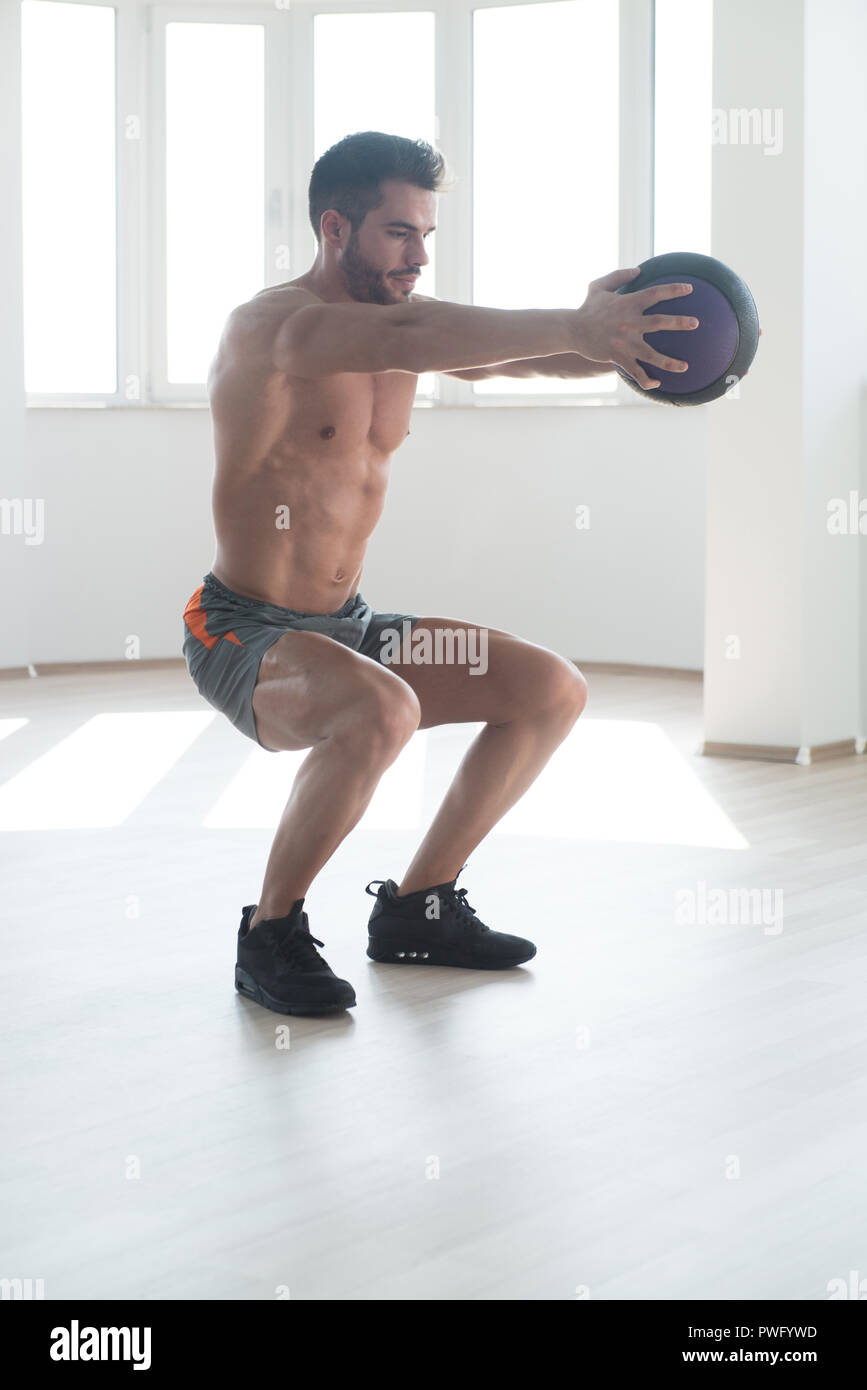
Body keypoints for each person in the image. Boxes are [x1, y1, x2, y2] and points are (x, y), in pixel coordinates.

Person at [182, 131, 698, 1016]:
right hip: (243, 631)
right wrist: (575, 327)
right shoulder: (276, 328)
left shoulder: (398, 329)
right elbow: (418, 331)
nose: (418, 255)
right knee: (381, 707)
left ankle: (419, 908)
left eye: (426, 234)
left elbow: (507, 351)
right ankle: (269, 932)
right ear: (334, 225)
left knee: (549, 689)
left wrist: (628, 343)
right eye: (397, 233)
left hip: (349, 625)